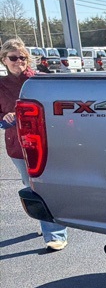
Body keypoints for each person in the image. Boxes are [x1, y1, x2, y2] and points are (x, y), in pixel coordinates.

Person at [1, 37, 69, 251]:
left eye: (23, 57)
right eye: (13, 57)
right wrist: (5, 118)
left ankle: (55, 233)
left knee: (43, 186)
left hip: (44, 144)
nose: (18, 61)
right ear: (4, 60)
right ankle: (45, 218)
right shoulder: (0, 86)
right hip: (17, 147)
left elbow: (58, 107)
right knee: (31, 186)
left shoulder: (40, 81)